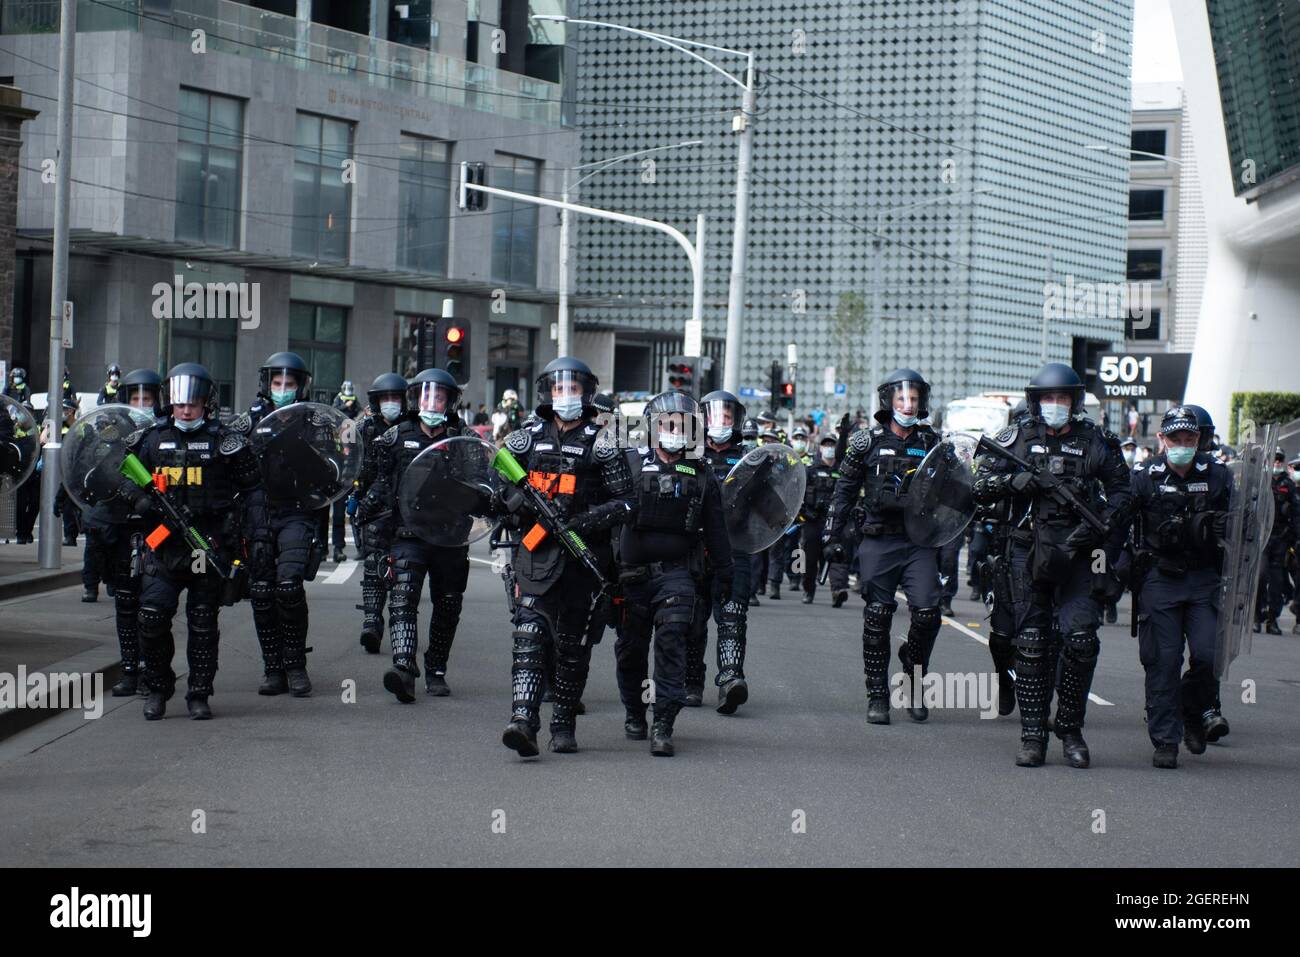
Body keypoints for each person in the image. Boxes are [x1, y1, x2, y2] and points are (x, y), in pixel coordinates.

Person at [972, 362, 1129, 767]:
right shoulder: (1015, 438)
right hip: (1026, 552)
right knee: (1032, 645)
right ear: (1035, 401)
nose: (1055, 405)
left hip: (1079, 555)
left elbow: (1123, 494)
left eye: (1062, 398)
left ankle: (1071, 728)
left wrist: (1099, 530)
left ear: (1074, 402)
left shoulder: (1098, 441)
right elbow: (978, 486)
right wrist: (1012, 483)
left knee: (1081, 641)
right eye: (1048, 398)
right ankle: (1032, 734)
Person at [499, 357, 635, 757]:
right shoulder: (526, 437)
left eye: (572, 388)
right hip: (535, 551)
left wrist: (580, 520)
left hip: (582, 557)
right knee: (528, 633)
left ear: (586, 394)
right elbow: (499, 490)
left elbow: (626, 503)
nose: (565, 395)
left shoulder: (603, 441)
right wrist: (516, 500)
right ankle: (523, 720)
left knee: (573, 646)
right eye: (559, 388)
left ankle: (563, 724)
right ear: (547, 393)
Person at [122, 363, 267, 720]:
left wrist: (258, 537)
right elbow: (125, 481)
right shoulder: (151, 439)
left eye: (194, 402)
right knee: (151, 615)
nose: (186, 409)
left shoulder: (225, 441)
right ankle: (158, 686)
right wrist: (141, 501)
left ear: (207, 403)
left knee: (202, 621)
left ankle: (199, 692)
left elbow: (253, 491)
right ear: (169, 402)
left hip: (207, 544)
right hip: (163, 541)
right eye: (180, 402)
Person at [824, 368, 945, 725]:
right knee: (878, 616)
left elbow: (950, 490)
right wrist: (832, 536)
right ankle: (877, 694)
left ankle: (914, 674)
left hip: (917, 542)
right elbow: (843, 491)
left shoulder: (931, 442)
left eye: (914, 398)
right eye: (901, 398)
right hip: (878, 538)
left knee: (927, 614)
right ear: (887, 401)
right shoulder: (866, 442)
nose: (908, 404)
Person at [614, 391, 732, 754]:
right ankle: (636, 711)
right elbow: (606, 518)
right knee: (631, 649)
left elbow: (716, 528)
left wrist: (725, 574)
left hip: (677, 574)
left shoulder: (701, 473)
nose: (675, 430)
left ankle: (663, 723)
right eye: (668, 423)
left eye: (683, 424)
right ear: (653, 426)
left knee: (672, 640)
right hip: (631, 575)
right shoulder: (629, 464)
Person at [359, 369, 472, 702]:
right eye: (426, 396)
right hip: (407, 533)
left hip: (450, 536)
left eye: (439, 397)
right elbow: (381, 481)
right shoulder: (395, 438)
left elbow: (482, 480)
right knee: (403, 597)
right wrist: (366, 505)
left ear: (450, 402)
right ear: (415, 399)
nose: (432, 402)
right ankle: (403, 667)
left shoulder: (463, 439)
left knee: (448, 604)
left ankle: (436, 669)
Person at [1130, 407, 1233, 768]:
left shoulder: (1218, 475)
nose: (1183, 445)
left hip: (1204, 578)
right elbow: (1121, 525)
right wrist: (1109, 572)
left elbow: (1243, 526)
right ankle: (1165, 740)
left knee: (1208, 656)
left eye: (1190, 439)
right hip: (1161, 578)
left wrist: (1225, 528)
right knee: (1163, 660)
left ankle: (1191, 711)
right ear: (1162, 439)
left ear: (1199, 440)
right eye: (1176, 439)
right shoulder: (1144, 476)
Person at [236, 352, 324, 698]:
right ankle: (272, 668)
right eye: (277, 383)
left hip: (297, 511)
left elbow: (333, 468)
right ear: (266, 384)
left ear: (301, 386)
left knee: (289, 586)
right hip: (258, 513)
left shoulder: (314, 422)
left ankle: (296, 665)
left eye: (290, 383)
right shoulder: (247, 422)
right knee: (261, 592)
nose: (283, 389)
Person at [683, 389, 754, 712]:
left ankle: (730, 680)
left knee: (733, 616)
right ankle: (691, 681)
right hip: (693, 549)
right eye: (716, 416)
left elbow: (771, 509)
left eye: (727, 417)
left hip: (734, 550)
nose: (721, 423)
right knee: (692, 619)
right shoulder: (687, 455)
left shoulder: (750, 461)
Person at [353, 373, 408, 654]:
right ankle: (372, 621)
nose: (390, 404)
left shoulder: (412, 429)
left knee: (403, 568)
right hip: (373, 507)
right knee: (374, 563)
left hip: (406, 510)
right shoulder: (363, 429)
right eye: (385, 399)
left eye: (395, 399)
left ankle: (401, 626)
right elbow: (347, 462)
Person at [1256, 449, 1300, 635]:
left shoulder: (1287, 484)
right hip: (1262, 537)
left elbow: (1296, 514)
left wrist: (1296, 537)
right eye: (1273, 459)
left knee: (1277, 582)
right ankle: (1257, 617)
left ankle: (1272, 619)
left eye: (1279, 459)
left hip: (1281, 538)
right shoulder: (1259, 481)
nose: (1276, 462)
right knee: (1260, 576)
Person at [801, 431, 845, 605]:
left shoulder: (841, 471)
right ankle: (808, 590)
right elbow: (800, 496)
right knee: (809, 558)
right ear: (820, 448)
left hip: (834, 520)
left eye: (832, 445)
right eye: (826, 445)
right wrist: (805, 513)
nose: (829, 448)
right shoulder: (810, 471)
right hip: (813, 520)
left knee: (836, 553)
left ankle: (838, 591)